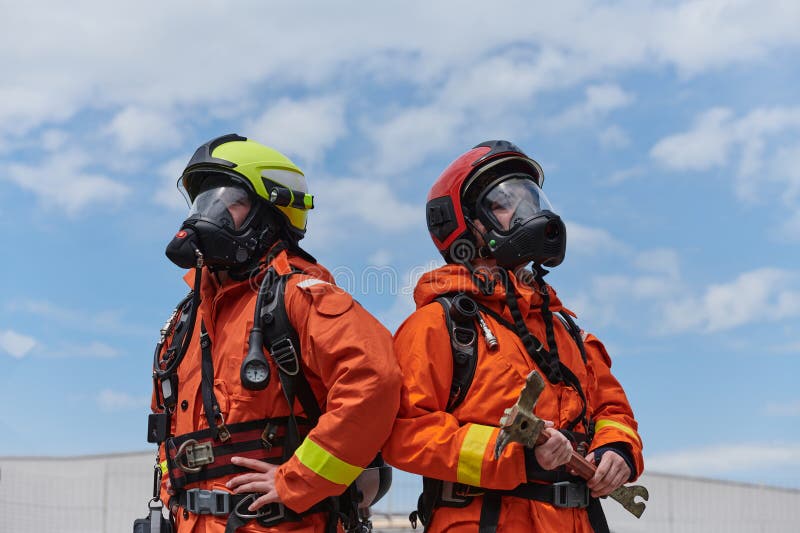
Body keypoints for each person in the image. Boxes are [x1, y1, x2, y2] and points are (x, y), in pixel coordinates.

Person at [382, 141, 643, 533]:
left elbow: (614, 412)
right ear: (464, 224)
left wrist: (617, 449)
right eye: (506, 202)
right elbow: (404, 434)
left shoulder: (567, 333)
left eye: (531, 199)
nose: (527, 213)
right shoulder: (439, 325)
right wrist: (512, 454)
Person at [149, 134, 402, 533]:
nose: (207, 214)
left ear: (272, 211)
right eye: (203, 201)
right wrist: (172, 500)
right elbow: (169, 436)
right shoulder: (184, 323)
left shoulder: (301, 299)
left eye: (228, 200)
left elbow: (376, 381)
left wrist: (299, 481)